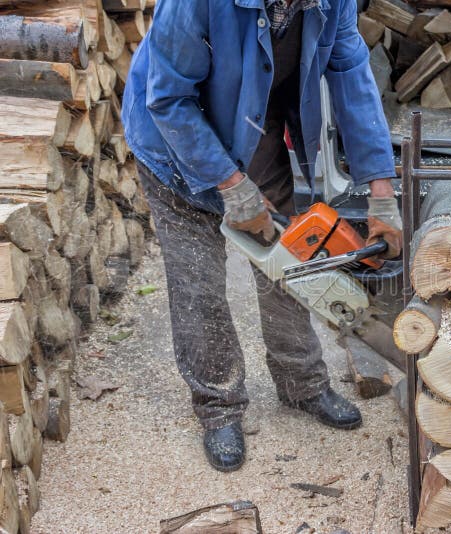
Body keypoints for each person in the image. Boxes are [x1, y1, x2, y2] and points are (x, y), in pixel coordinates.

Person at [121, 0, 402, 472]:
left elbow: (351, 71)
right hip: (174, 141)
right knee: (199, 284)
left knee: (291, 261)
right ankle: (219, 408)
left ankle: (302, 384)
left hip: (256, 129)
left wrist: (381, 192)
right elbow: (168, 96)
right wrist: (231, 187)